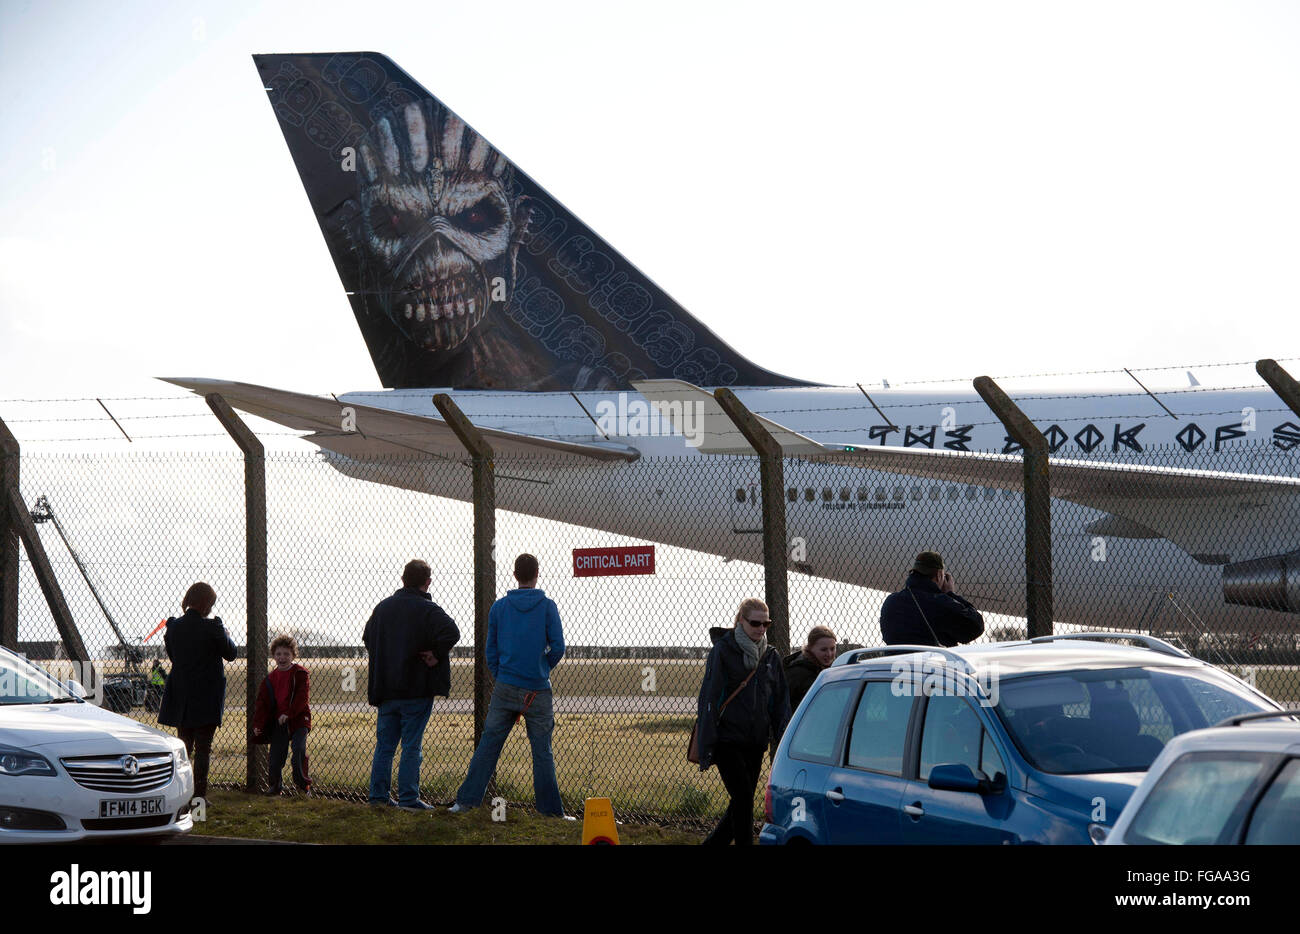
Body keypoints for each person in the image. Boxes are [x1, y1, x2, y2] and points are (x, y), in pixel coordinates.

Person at [449, 553, 568, 818]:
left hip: (506, 685)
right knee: (542, 751)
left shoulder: (500, 608)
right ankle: (551, 812)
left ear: (515, 575)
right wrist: (541, 668)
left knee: (489, 744)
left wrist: (502, 673)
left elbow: (490, 650)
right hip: (537, 688)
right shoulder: (547, 606)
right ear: (537, 573)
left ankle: (466, 802)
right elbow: (558, 647)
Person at [363, 559, 460, 811]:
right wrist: (436, 653)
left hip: (386, 688)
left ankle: (378, 797)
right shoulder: (427, 609)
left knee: (384, 746)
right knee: (411, 746)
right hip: (416, 688)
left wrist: (386, 657)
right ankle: (408, 798)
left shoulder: (382, 608)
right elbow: (452, 631)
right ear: (427, 582)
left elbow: (367, 637)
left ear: (403, 579)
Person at [695, 597, 791, 846]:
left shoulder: (770, 656)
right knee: (744, 795)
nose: (761, 629)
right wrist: (707, 743)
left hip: (755, 740)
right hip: (727, 739)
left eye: (765, 624)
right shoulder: (724, 651)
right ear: (741, 621)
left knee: (741, 801)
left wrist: (782, 740)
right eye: (755, 623)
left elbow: (780, 701)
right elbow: (710, 696)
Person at [157, 582, 237, 801]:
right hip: (206, 696)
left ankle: (180, 793)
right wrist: (225, 634)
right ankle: (199, 797)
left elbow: (174, 656)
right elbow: (231, 653)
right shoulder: (213, 627)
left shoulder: (173, 627)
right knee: (203, 748)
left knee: (184, 747)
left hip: (181, 694)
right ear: (207, 604)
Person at [879, 551, 985, 647]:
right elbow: (976, 627)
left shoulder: (891, 602)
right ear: (939, 575)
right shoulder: (941, 604)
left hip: (895, 664)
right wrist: (950, 594)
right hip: (932, 665)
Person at [252, 634, 312, 796]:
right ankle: (275, 786)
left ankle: (302, 786)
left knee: (298, 750)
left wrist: (289, 713)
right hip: (279, 721)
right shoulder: (269, 679)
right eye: (279, 654)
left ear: (293, 655)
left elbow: (302, 698)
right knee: (276, 756)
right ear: (274, 656)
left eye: (286, 654)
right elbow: (262, 704)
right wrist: (258, 724)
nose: (282, 657)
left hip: (298, 719)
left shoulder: (300, 673)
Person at [783, 625, 837, 710]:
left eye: (832, 649)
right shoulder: (798, 673)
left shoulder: (832, 670)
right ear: (810, 648)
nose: (829, 654)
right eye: (823, 650)